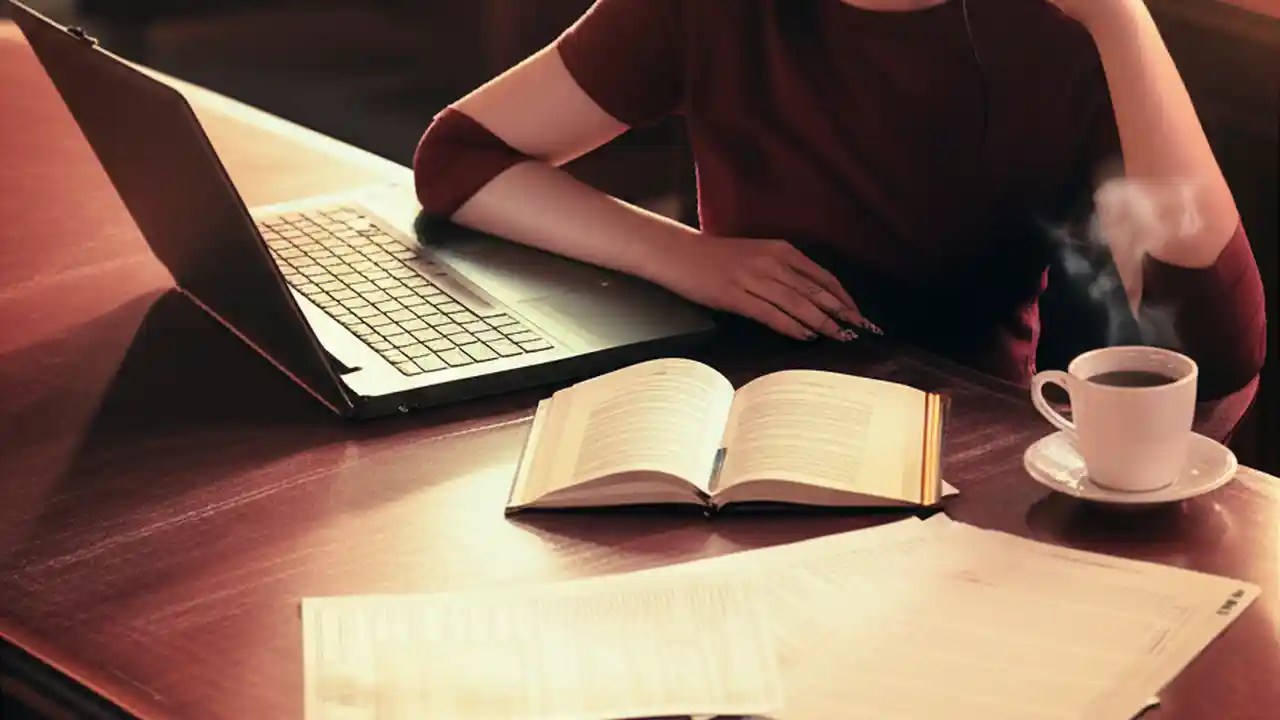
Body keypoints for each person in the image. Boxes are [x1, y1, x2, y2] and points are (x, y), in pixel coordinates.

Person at [412, 0, 1265, 401]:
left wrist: (1118, 16)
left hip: (963, 447)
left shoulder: (1058, 30)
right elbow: (460, 158)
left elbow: (1221, 352)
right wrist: (683, 255)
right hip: (735, 417)